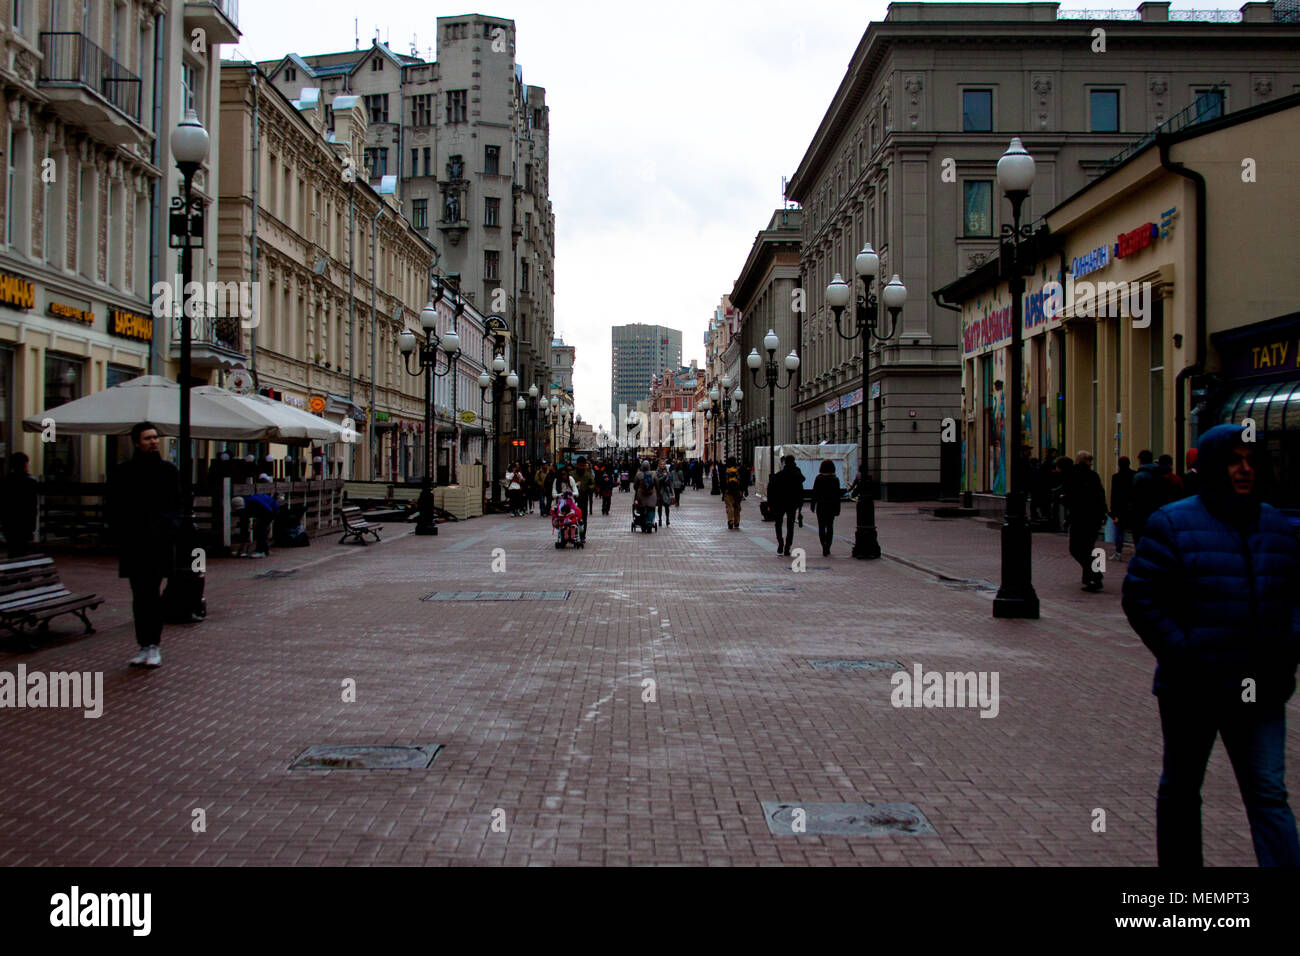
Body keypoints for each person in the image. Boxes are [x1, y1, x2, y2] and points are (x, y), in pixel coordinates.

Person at [1122, 424, 1300, 867]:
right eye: (1235, 460)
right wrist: (1183, 653)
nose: (1244, 469)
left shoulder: (1276, 526)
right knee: (1182, 789)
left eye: (1251, 460)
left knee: (1268, 793)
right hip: (1193, 688)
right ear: (1216, 465)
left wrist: (1287, 646)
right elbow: (1141, 597)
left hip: (1261, 688)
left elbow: (1296, 596)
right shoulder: (1174, 522)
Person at [107, 422, 180, 669]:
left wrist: (167, 527)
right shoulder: (123, 472)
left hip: (158, 543)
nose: (153, 442)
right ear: (136, 442)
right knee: (139, 596)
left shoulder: (167, 471)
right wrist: (121, 531)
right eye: (148, 438)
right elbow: (114, 504)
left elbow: (176, 504)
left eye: (155, 437)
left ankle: (154, 646)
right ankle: (143, 645)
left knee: (152, 594)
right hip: (134, 543)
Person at [1065, 451, 1107, 591]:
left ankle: (1095, 575)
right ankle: (1091, 576)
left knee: (1077, 548)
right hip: (1093, 518)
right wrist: (1103, 514)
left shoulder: (1074, 475)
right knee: (1088, 547)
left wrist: (1069, 517)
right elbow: (1100, 495)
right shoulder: (1093, 476)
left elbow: (1073, 499)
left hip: (1081, 518)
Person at [1129, 449, 1173, 547]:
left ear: (1140, 460)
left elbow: (1134, 498)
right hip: (1157, 513)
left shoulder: (1139, 476)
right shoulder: (1160, 474)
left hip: (1141, 515)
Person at [1, 452, 39, 557]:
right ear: (25, 464)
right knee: (22, 550)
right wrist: (32, 525)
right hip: (24, 520)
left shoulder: (6, 481)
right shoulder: (30, 482)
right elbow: (32, 505)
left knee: (12, 549)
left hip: (9, 521)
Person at [769, 454, 805, 556]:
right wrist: (800, 506)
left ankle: (780, 542)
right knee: (790, 526)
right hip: (792, 503)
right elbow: (800, 491)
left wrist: (771, 503)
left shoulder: (779, 475)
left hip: (779, 502)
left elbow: (772, 489)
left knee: (778, 524)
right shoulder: (797, 475)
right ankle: (787, 547)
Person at [811, 460, 842, 557]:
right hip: (831, 506)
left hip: (821, 506)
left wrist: (813, 504)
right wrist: (838, 509)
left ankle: (823, 545)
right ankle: (828, 546)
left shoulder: (818, 478)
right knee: (830, 526)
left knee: (821, 526)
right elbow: (837, 496)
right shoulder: (835, 479)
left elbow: (814, 493)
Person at [231, 493, 278, 557]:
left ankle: (261, 551)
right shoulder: (243, 510)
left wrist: (260, 522)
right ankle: (264, 550)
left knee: (260, 529)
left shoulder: (255, 502)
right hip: (263, 510)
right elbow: (244, 527)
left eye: (241, 510)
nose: (241, 512)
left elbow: (268, 511)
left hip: (271, 509)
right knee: (255, 528)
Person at [1109, 456, 1134, 560]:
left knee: (1119, 531)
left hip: (1120, 508)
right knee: (1134, 530)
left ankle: (1118, 552)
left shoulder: (1116, 477)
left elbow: (1114, 495)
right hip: (1132, 507)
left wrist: (1113, 512)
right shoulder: (1134, 475)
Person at [723, 457, 744, 529]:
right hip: (737, 491)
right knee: (737, 506)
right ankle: (737, 522)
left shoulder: (727, 471)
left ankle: (730, 521)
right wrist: (742, 491)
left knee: (730, 506)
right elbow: (741, 482)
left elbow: (724, 482)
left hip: (728, 491)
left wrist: (723, 492)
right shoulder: (738, 471)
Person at [654, 461, 674, 526]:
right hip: (660, 490)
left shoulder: (667, 471)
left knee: (667, 506)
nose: (663, 465)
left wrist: (671, 491)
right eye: (661, 464)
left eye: (664, 464)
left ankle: (667, 519)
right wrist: (664, 476)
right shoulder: (657, 472)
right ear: (659, 465)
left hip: (666, 491)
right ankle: (660, 519)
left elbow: (670, 482)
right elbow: (658, 481)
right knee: (659, 506)